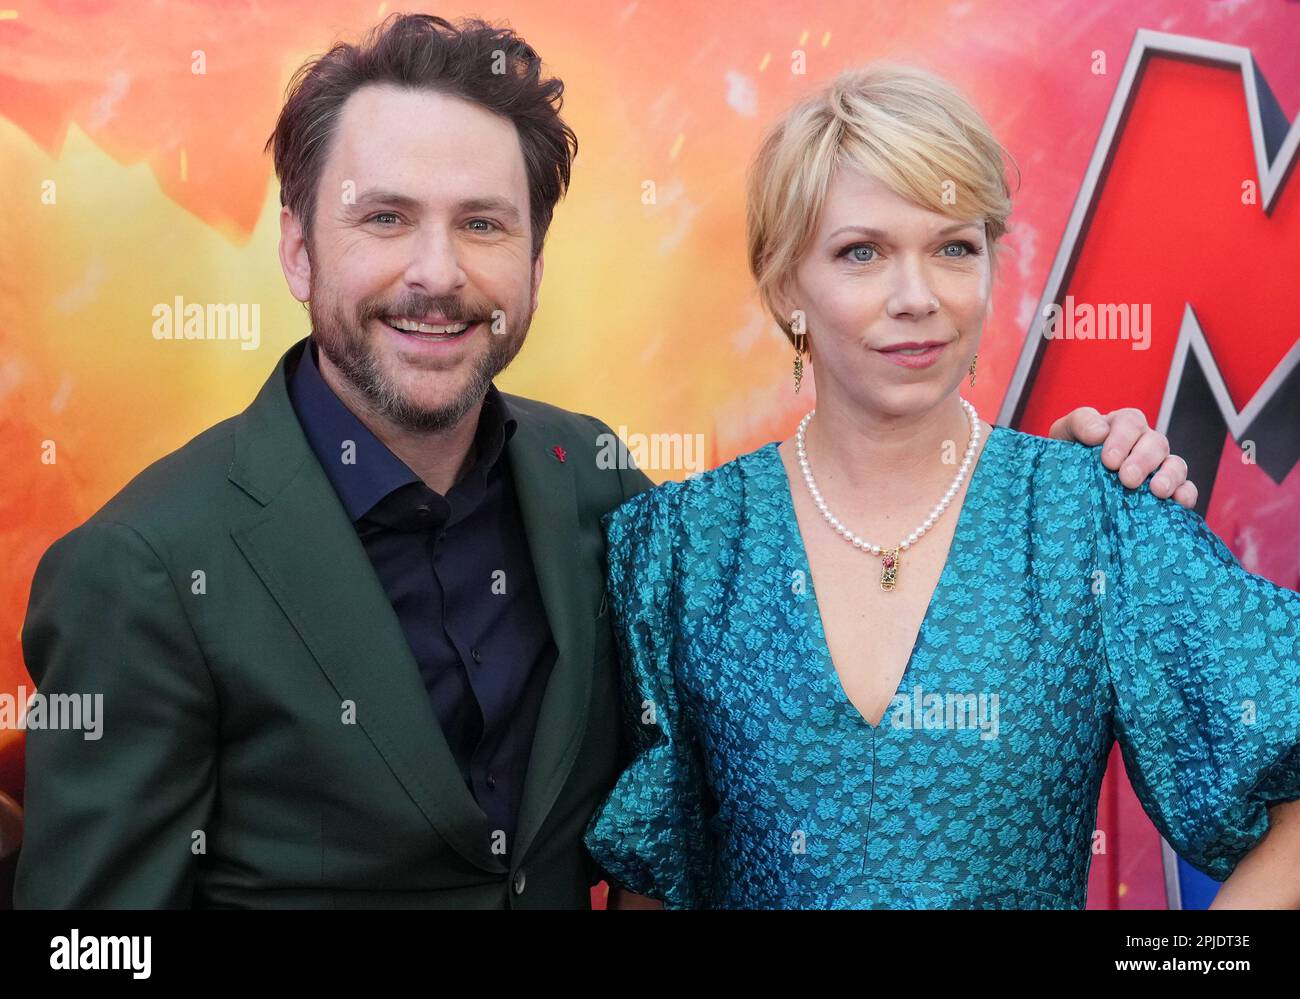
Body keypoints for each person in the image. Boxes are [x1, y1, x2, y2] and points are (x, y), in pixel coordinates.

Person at [16, 17, 1194, 909]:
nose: (437, 273)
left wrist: (1102, 471)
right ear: (296, 247)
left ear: (533, 256)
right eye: (383, 220)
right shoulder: (145, 568)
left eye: (483, 223)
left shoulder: (605, 494)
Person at [584, 63, 1300, 909]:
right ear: (786, 287)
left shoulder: (1091, 514)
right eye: (863, 253)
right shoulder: (685, 547)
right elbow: (652, 882)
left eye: (953, 248)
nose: (917, 297)